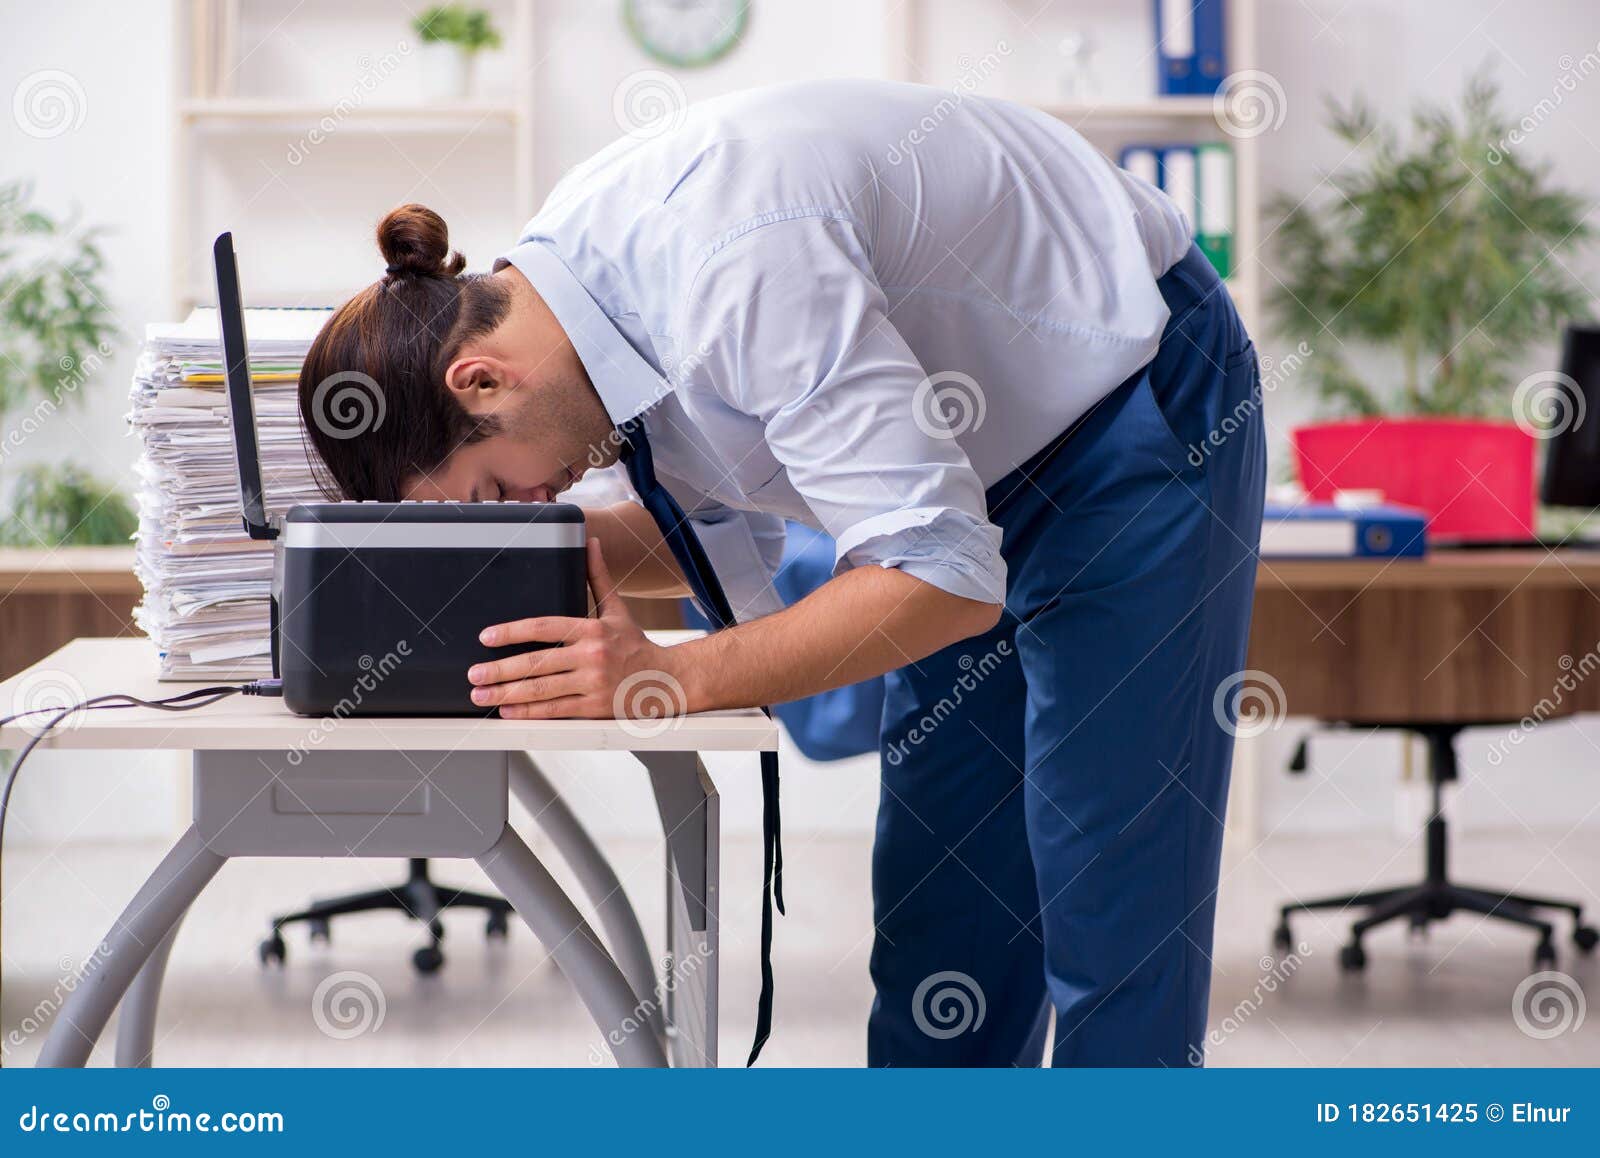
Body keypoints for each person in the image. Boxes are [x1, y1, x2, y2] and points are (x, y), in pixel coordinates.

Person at [296, 78, 1266, 1067]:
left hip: (1127, 398)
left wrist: (668, 680)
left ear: (480, 380)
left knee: (1111, 895)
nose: (527, 513)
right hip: (955, 481)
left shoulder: (737, 267)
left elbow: (940, 580)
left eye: (494, 499)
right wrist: (523, 578)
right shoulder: (568, 315)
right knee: (949, 913)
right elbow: (735, 509)